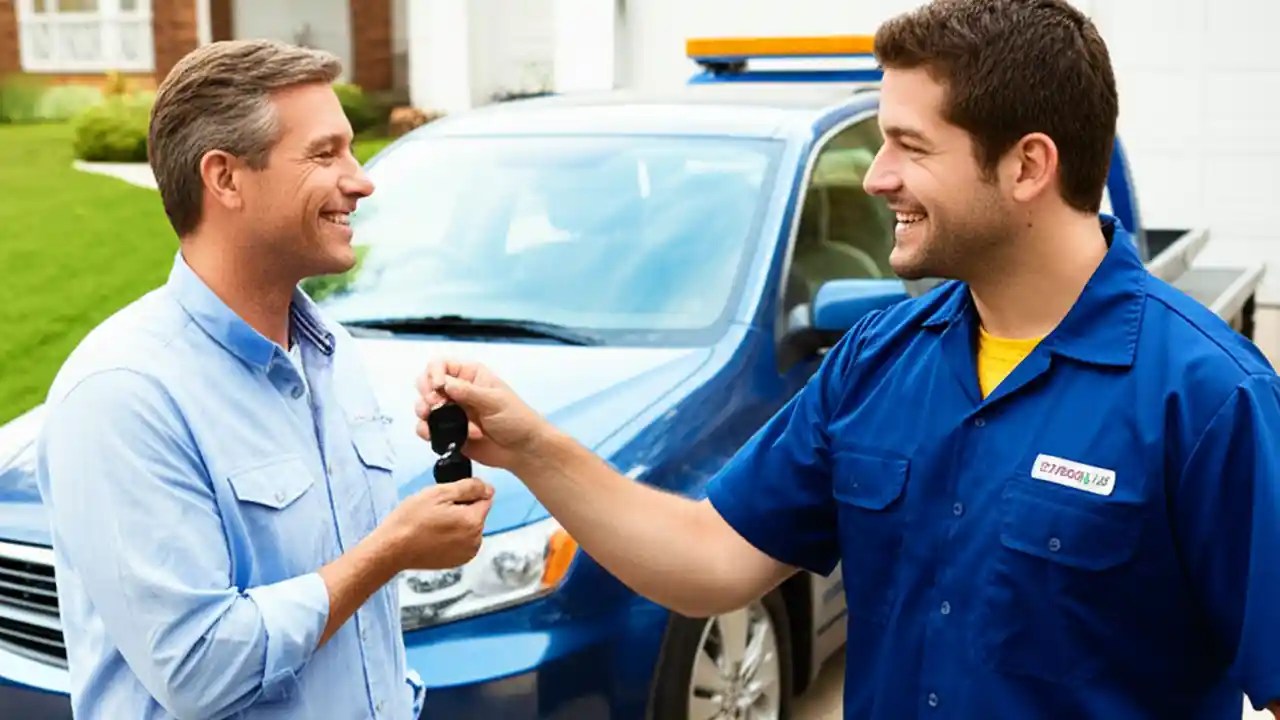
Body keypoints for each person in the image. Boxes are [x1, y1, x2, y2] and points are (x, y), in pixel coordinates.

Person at [416, 1, 1280, 718]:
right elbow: (711, 558)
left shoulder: (1209, 399)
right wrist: (535, 446)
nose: (876, 177)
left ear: (1027, 167)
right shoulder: (880, 359)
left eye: (910, 145)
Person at [35, 40, 493, 718]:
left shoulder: (330, 354)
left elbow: (356, 632)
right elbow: (198, 670)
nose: (361, 179)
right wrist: (390, 551)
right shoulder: (123, 395)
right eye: (324, 153)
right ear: (224, 178)